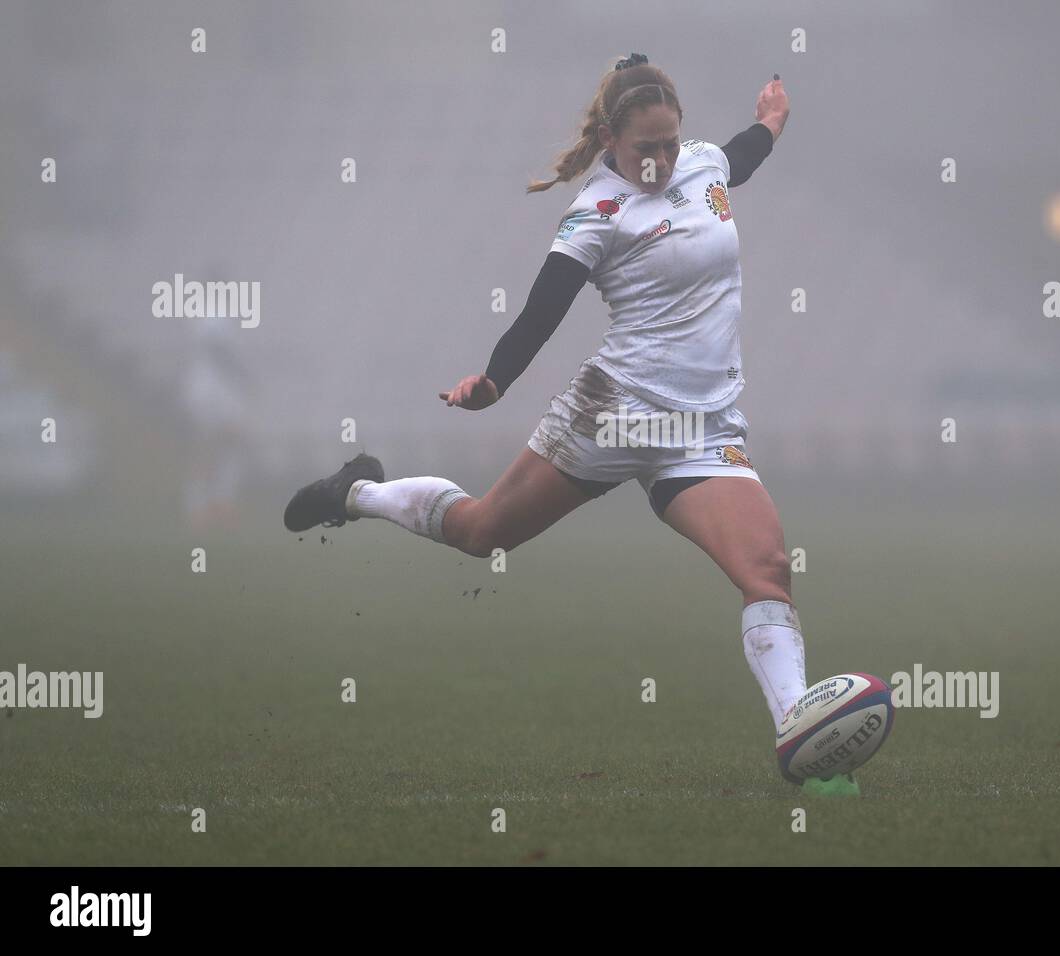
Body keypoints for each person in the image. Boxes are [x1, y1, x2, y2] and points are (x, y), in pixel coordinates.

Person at [285, 54, 858, 795]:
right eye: (642, 148)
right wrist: (493, 380)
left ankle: (802, 747)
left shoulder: (704, 164)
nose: (657, 160)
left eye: (667, 144)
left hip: (703, 426)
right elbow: (541, 310)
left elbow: (741, 157)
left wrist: (772, 121)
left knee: (768, 572)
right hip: (614, 412)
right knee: (482, 532)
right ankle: (356, 493)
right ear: (611, 140)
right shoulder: (598, 209)